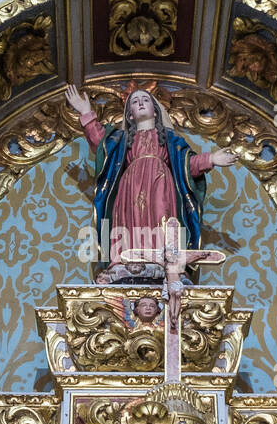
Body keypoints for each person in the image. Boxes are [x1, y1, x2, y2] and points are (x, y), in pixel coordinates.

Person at [64, 84, 235, 283]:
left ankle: (165, 263)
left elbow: (186, 164)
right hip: (130, 187)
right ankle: (124, 262)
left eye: (145, 100)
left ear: (156, 109)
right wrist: (86, 113)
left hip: (161, 186)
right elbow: (100, 142)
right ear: (129, 115)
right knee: (128, 221)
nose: (141, 103)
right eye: (135, 102)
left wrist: (212, 159)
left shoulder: (170, 140)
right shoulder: (121, 139)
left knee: (162, 217)